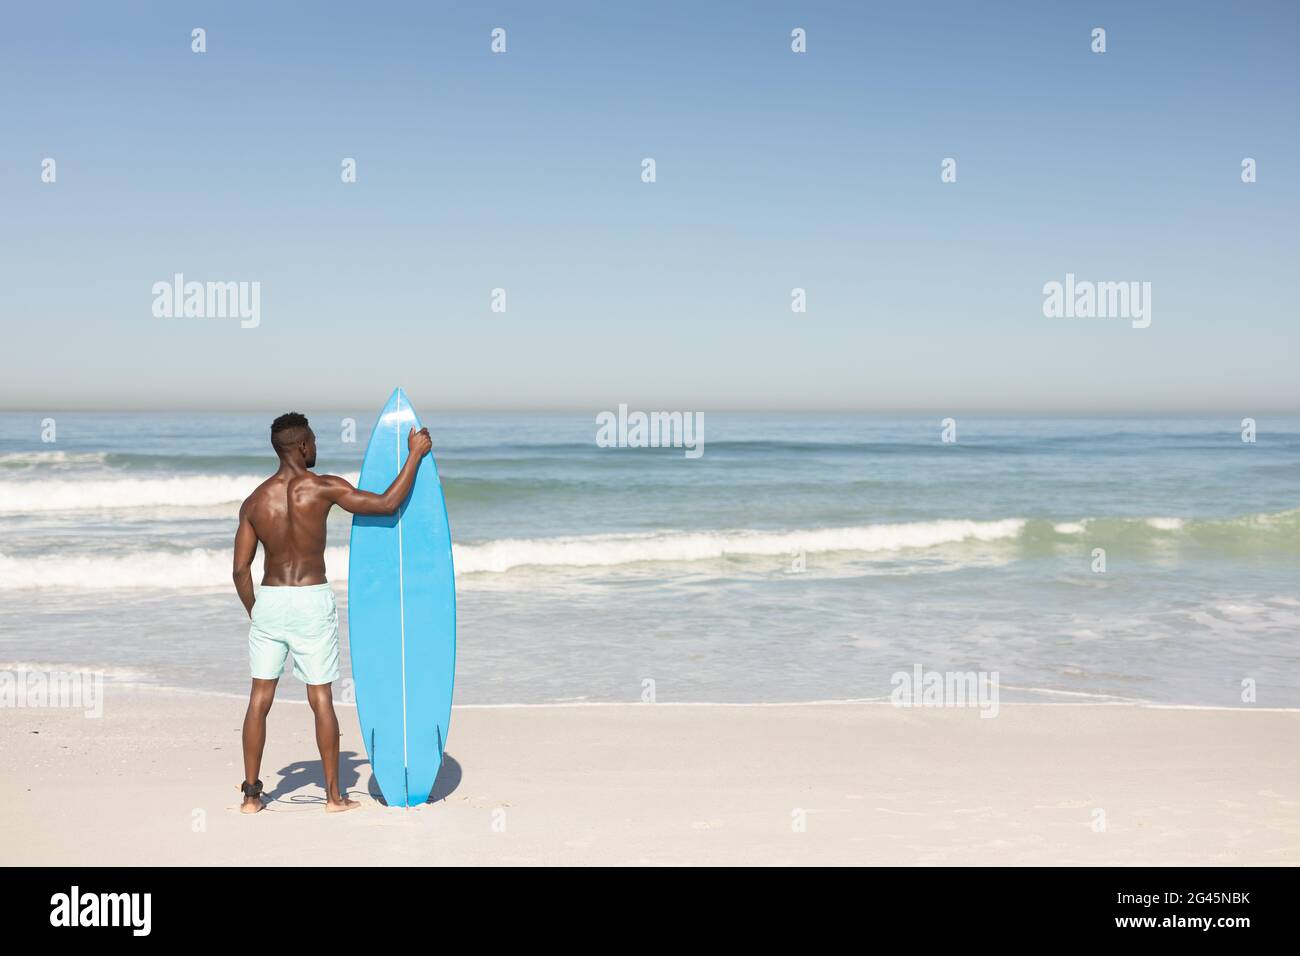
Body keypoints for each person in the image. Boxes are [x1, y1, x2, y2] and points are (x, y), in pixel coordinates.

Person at [231, 411, 432, 813]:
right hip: (310, 597)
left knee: (259, 699)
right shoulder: (321, 488)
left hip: (270, 599)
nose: (317, 446)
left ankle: (252, 797)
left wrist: (259, 611)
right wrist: (414, 455)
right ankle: (334, 797)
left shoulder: (255, 500)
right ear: (303, 446)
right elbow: (388, 504)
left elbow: (240, 570)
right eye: (315, 441)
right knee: (320, 697)